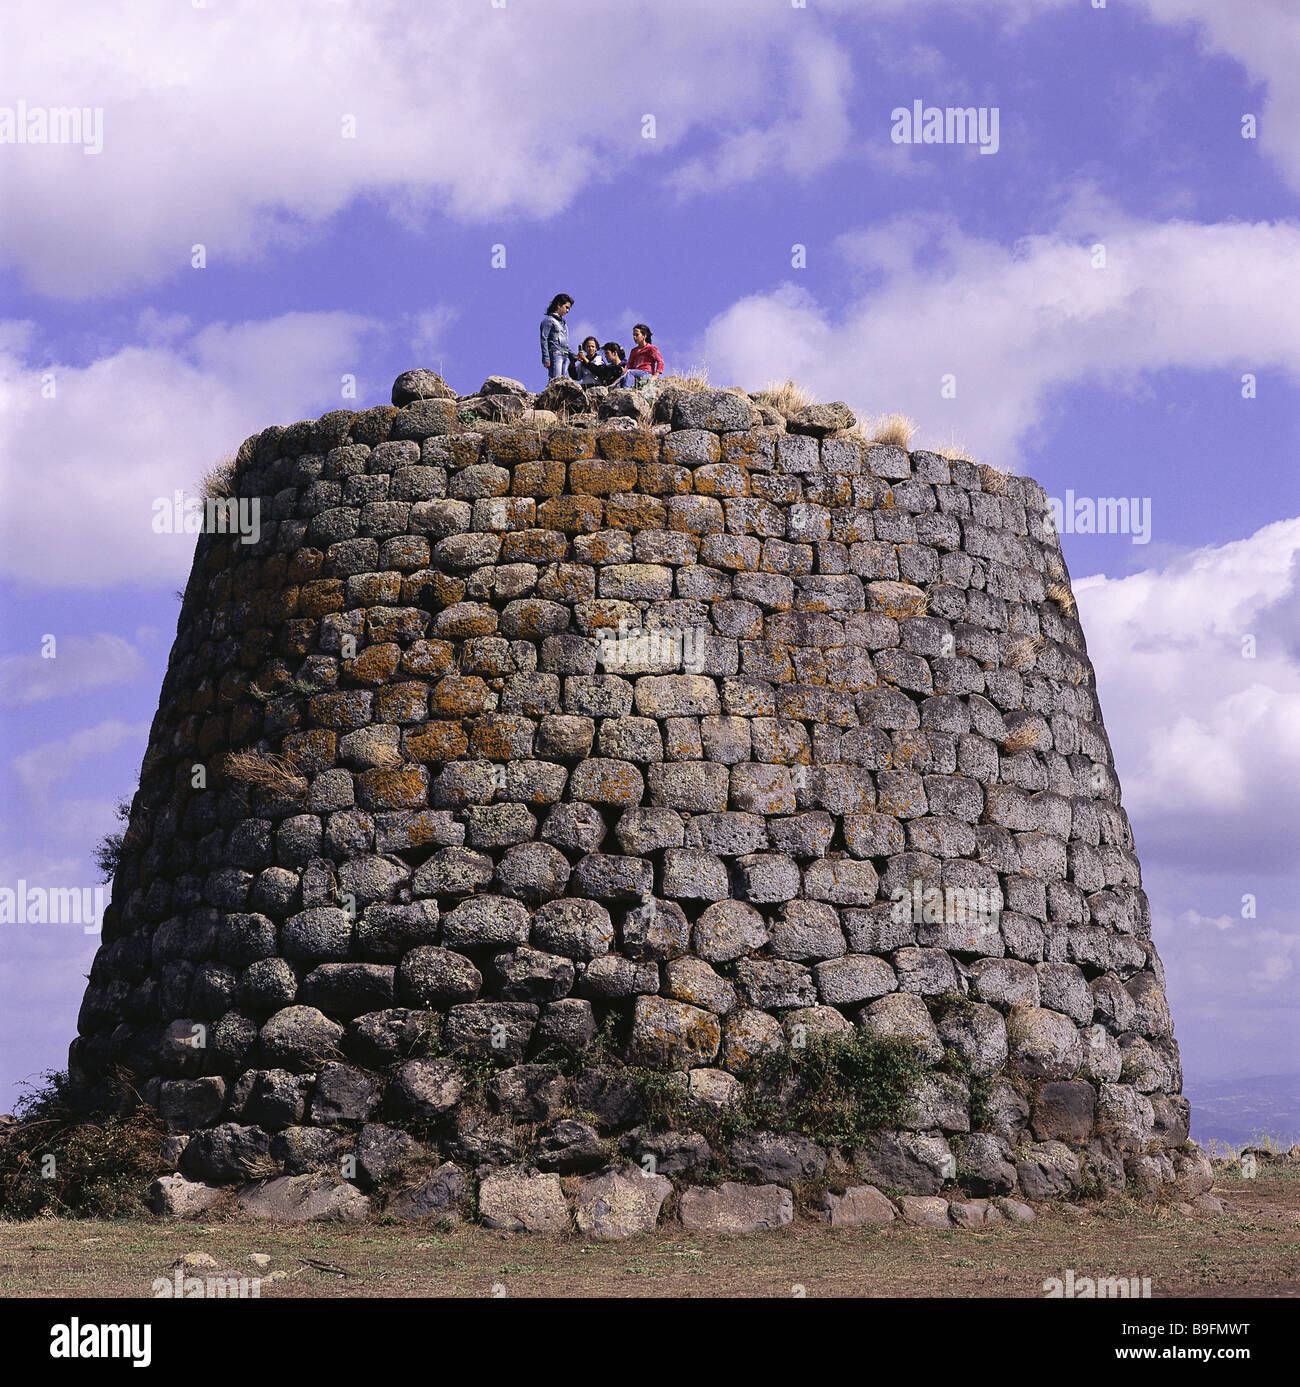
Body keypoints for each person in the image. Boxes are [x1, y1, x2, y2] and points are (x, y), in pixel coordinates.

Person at [617, 323, 665, 387]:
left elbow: (660, 361)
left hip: (646, 373)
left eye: (637, 335)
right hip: (635, 374)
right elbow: (629, 365)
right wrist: (623, 375)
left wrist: (655, 375)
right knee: (622, 379)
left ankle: (626, 391)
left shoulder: (651, 348)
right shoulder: (634, 351)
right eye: (633, 335)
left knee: (629, 373)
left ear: (644, 336)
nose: (634, 337)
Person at [540, 294, 573, 380]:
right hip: (556, 354)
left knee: (563, 382)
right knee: (555, 380)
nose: (568, 310)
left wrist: (572, 355)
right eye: (566, 307)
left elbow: (566, 342)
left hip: (565, 355)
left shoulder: (564, 323)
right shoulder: (548, 320)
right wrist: (546, 358)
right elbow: (544, 339)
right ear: (559, 305)